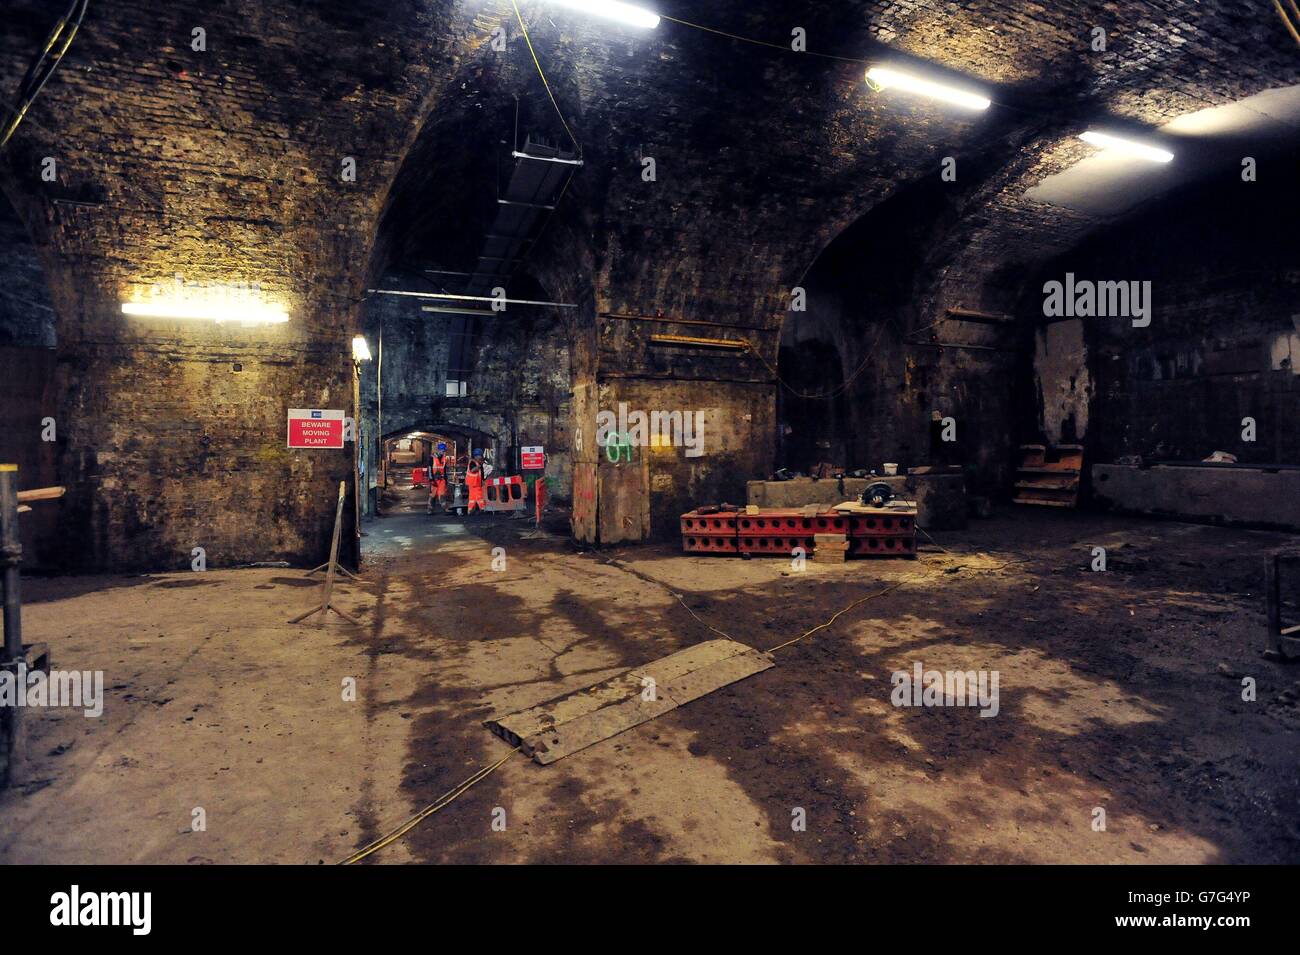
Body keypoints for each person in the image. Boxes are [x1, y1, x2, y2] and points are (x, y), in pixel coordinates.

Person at [427, 442, 449, 514]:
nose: (444, 452)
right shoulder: (432, 458)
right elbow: (430, 469)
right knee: (432, 495)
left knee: (442, 494)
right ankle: (430, 509)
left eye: (444, 451)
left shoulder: (444, 458)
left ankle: (445, 508)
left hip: (441, 479)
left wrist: (446, 480)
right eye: (443, 451)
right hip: (434, 479)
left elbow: (444, 469)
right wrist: (431, 479)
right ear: (439, 450)